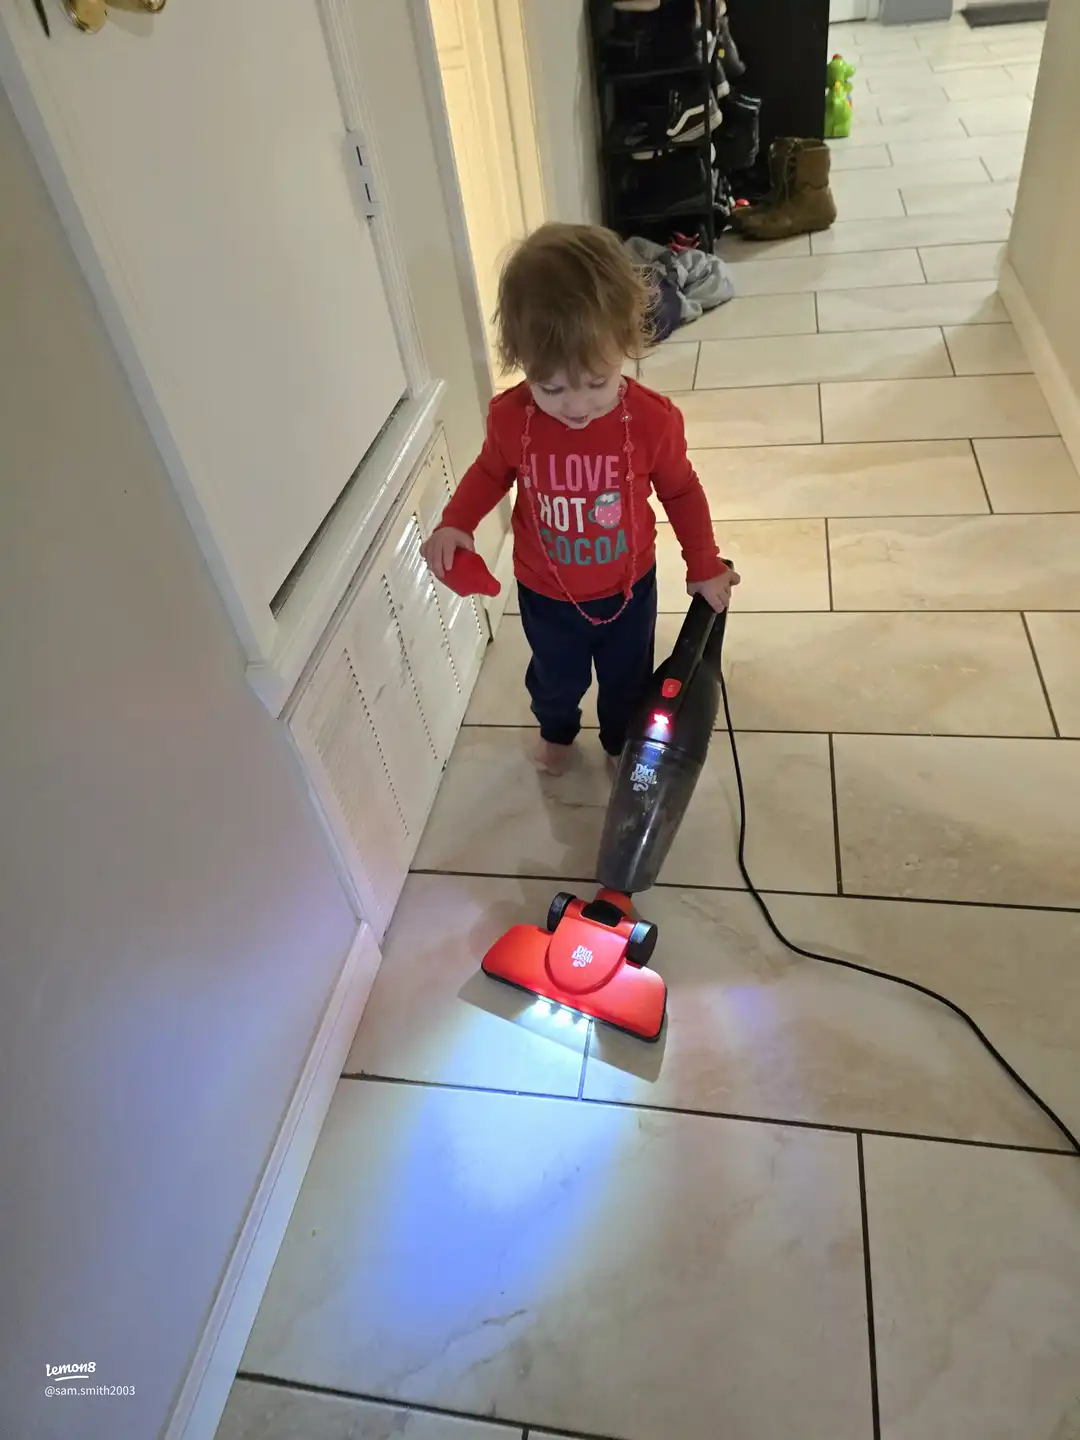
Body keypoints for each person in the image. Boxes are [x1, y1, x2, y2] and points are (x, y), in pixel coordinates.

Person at [422, 222, 739, 776]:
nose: (575, 405)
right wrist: (456, 523)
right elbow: (489, 472)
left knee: (627, 680)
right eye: (551, 388)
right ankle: (557, 731)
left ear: (627, 343)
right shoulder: (511, 420)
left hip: (628, 590)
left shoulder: (650, 420)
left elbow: (682, 490)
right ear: (521, 360)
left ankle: (620, 741)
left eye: (596, 381)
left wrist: (704, 563)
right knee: (553, 678)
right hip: (545, 592)